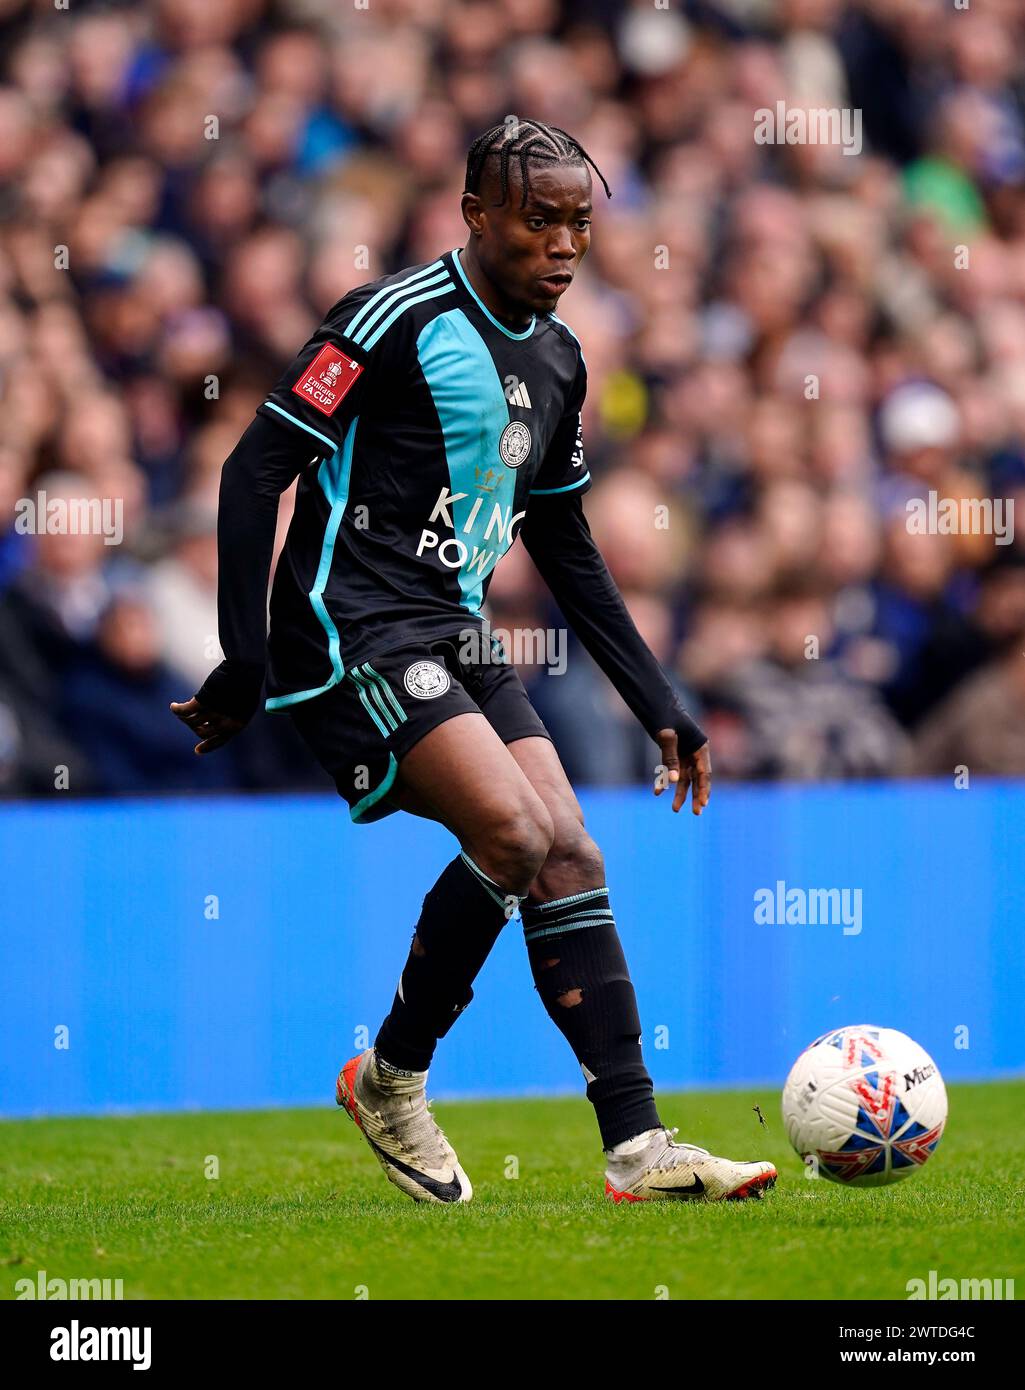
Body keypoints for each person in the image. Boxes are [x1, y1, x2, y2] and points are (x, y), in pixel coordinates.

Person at [172, 119, 776, 1205]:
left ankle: (637, 1148)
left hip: (455, 633)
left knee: (568, 855)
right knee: (512, 827)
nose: (560, 242)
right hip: (347, 627)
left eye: (578, 222)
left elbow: (565, 544)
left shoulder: (559, 358)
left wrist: (659, 704)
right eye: (536, 219)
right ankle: (392, 1080)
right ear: (477, 215)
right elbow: (252, 468)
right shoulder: (392, 317)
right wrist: (243, 657)